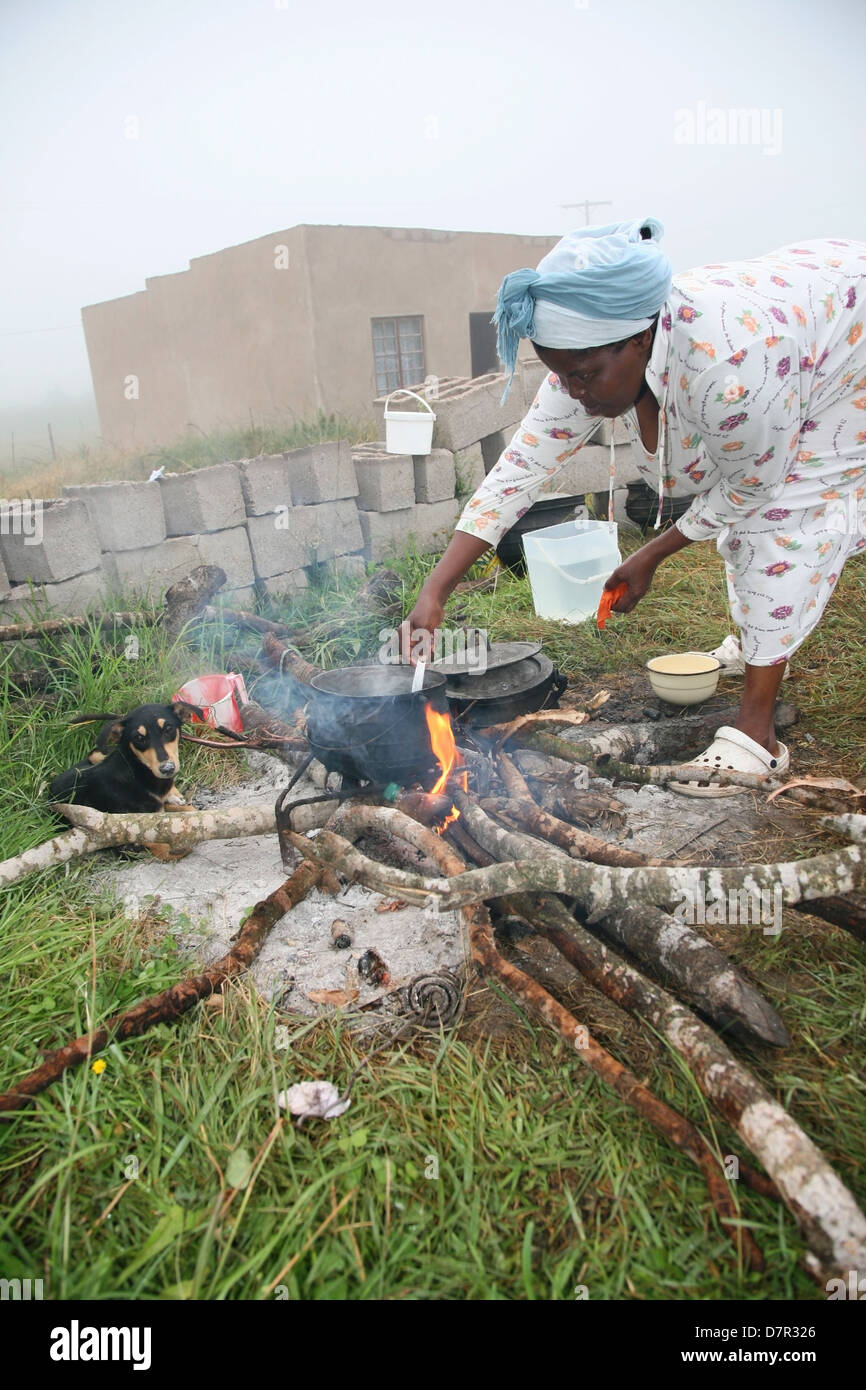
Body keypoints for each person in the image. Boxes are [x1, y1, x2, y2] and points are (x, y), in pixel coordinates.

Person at [405, 217, 866, 793]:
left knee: (782, 523)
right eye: (560, 376)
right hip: (793, 323)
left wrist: (651, 552)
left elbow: (756, 485)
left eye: (583, 376)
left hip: (848, 343)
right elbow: (518, 470)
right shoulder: (592, 351)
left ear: (642, 338)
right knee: (743, 518)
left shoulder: (730, 371)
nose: (573, 391)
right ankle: (760, 644)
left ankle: (758, 735)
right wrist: (436, 589)